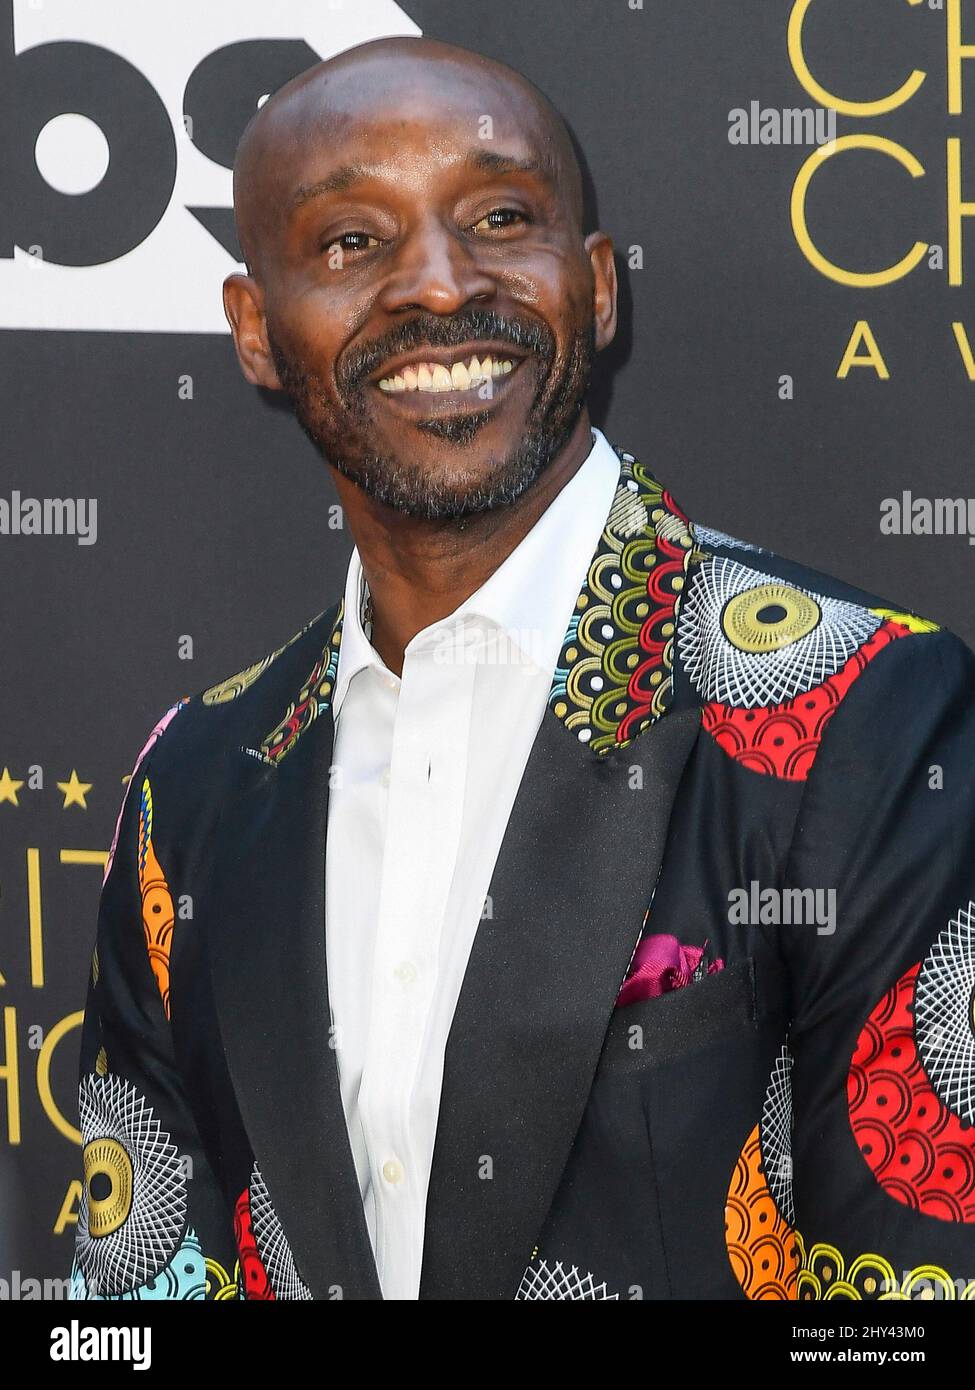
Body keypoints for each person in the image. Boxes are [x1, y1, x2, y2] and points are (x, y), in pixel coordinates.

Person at [69, 35, 975, 1302]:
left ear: (597, 288)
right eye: (349, 242)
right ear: (256, 330)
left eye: (500, 217)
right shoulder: (201, 787)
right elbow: (131, 1302)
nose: (438, 287)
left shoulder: (868, 711)